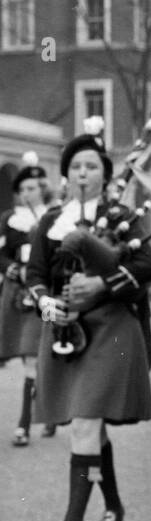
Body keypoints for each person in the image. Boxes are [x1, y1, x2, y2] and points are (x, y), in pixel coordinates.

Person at [26, 121, 151, 521]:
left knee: (84, 422)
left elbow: (148, 266)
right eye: (76, 167)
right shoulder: (50, 222)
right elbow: (35, 279)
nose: (83, 173)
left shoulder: (122, 219)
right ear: (66, 176)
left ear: (105, 175)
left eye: (92, 166)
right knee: (90, 427)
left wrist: (102, 286)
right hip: (67, 332)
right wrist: (52, 306)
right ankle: (114, 504)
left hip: (113, 331)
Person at [1, 152, 54, 445]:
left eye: (32, 188)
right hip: (19, 297)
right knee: (29, 357)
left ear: (42, 188)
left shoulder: (55, 218)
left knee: (41, 355)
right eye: (22, 189)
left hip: (45, 296)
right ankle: (25, 423)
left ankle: (42, 414)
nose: (26, 193)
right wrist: (11, 268)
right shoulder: (10, 221)